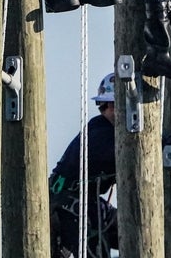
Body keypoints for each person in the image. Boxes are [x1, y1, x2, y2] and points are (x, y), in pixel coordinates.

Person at [49, 73, 119, 258]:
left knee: (138, 230)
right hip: (69, 207)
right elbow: (142, 148)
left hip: (87, 204)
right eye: (112, 105)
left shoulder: (107, 131)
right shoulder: (102, 135)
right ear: (107, 106)